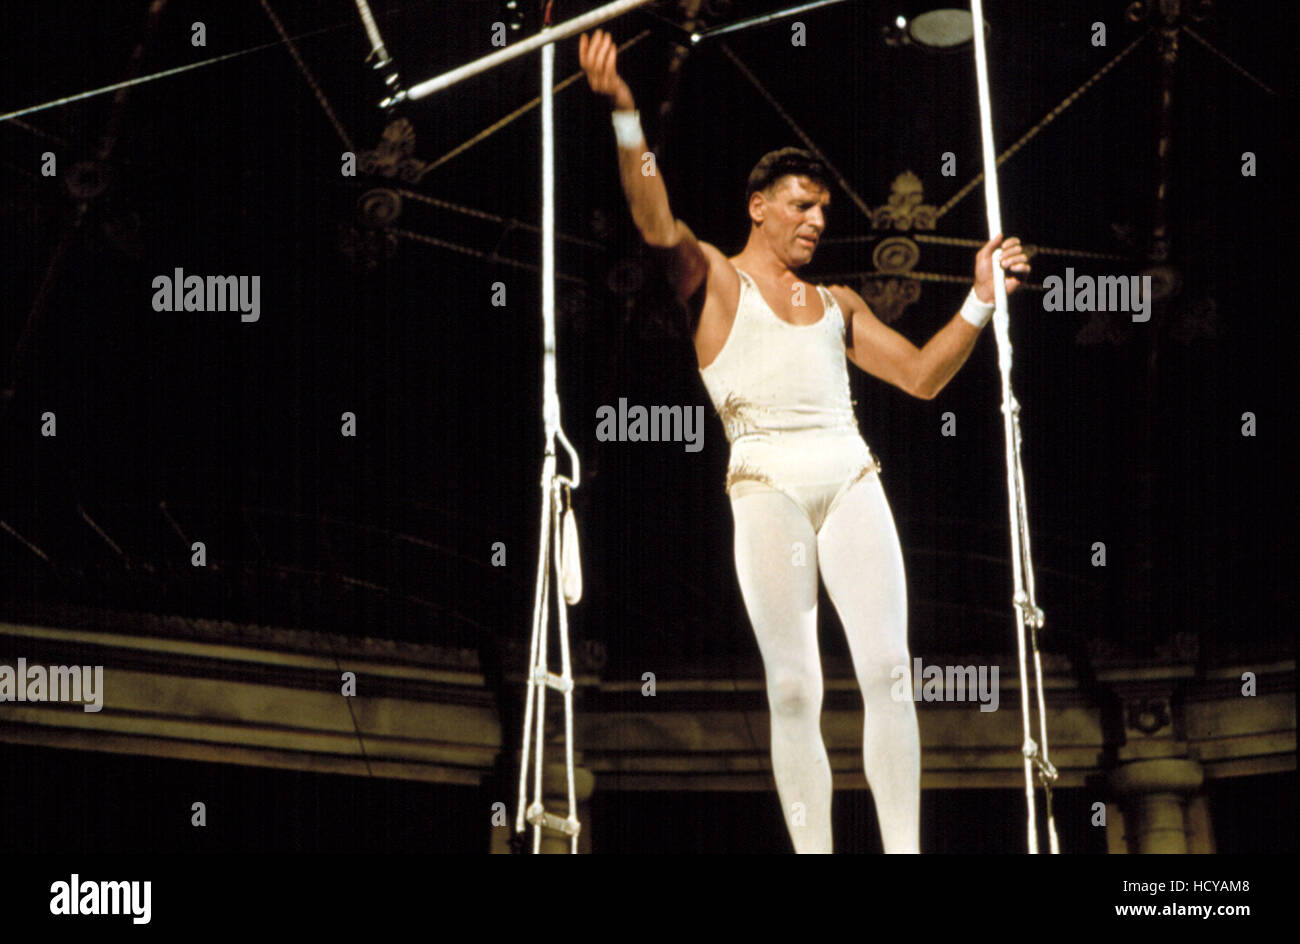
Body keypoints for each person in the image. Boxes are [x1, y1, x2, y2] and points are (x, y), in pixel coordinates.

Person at [579, 28, 1030, 853]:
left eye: (823, 208)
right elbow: (653, 222)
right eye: (801, 204)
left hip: (849, 473)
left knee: (891, 673)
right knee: (794, 686)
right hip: (766, 482)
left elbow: (925, 378)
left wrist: (979, 300)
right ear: (759, 207)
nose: (817, 220)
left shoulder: (840, 303)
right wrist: (624, 114)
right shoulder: (714, 277)